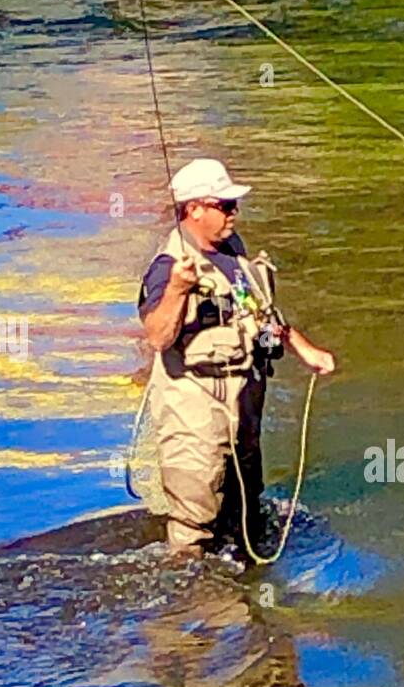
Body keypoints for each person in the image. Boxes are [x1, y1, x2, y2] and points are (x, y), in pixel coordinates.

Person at [138, 157, 335, 556]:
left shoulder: (233, 251)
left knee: (245, 506)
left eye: (233, 205)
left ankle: (243, 597)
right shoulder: (167, 267)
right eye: (224, 205)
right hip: (192, 403)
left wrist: (303, 348)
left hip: (242, 399)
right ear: (194, 209)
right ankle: (188, 600)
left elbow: (258, 310)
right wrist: (178, 289)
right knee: (195, 514)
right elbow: (158, 337)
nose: (234, 213)